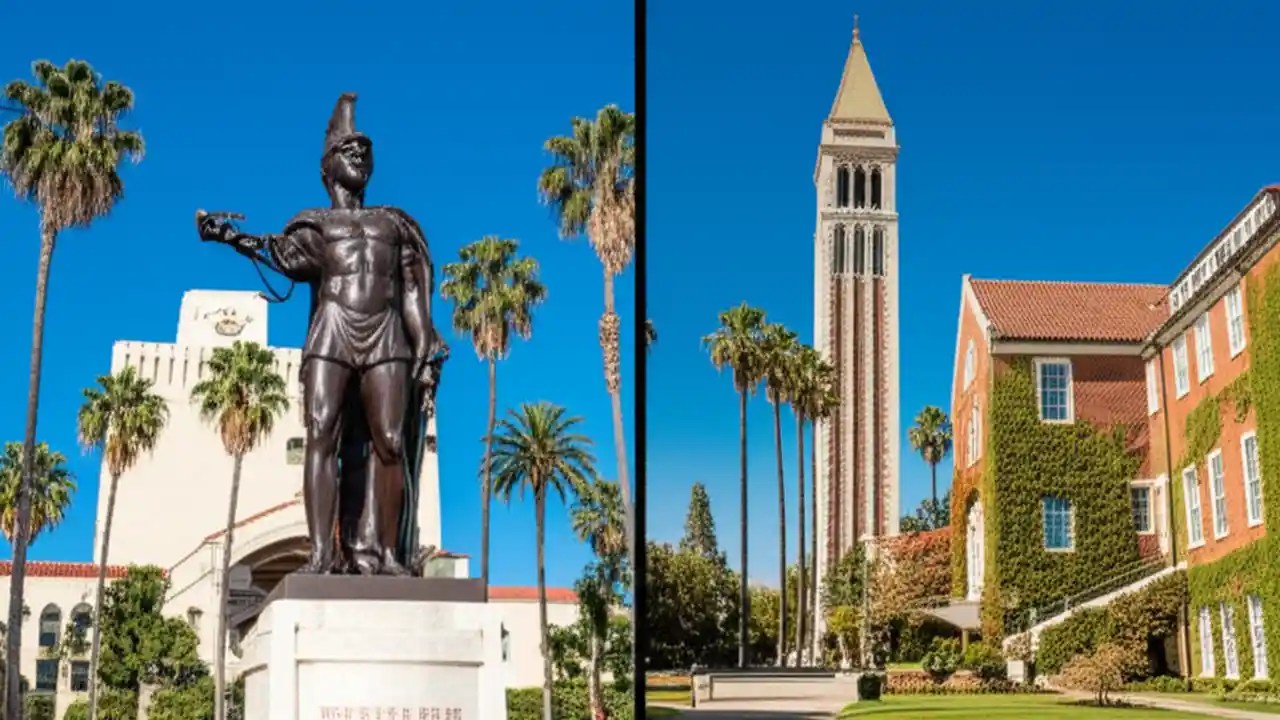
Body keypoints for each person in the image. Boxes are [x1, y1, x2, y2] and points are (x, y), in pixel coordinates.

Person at [196, 92, 446, 576]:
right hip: (332, 331)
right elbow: (281, 256)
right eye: (348, 150)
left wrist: (424, 345)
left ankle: (387, 554)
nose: (360, 155)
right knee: (322, 434)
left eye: (365, 150)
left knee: (390, 441)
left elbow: (413, 291)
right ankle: (322, 556)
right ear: (327, 167)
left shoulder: (393, 224)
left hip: (386, 333)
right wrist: (228, 236)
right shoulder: (314, 224)